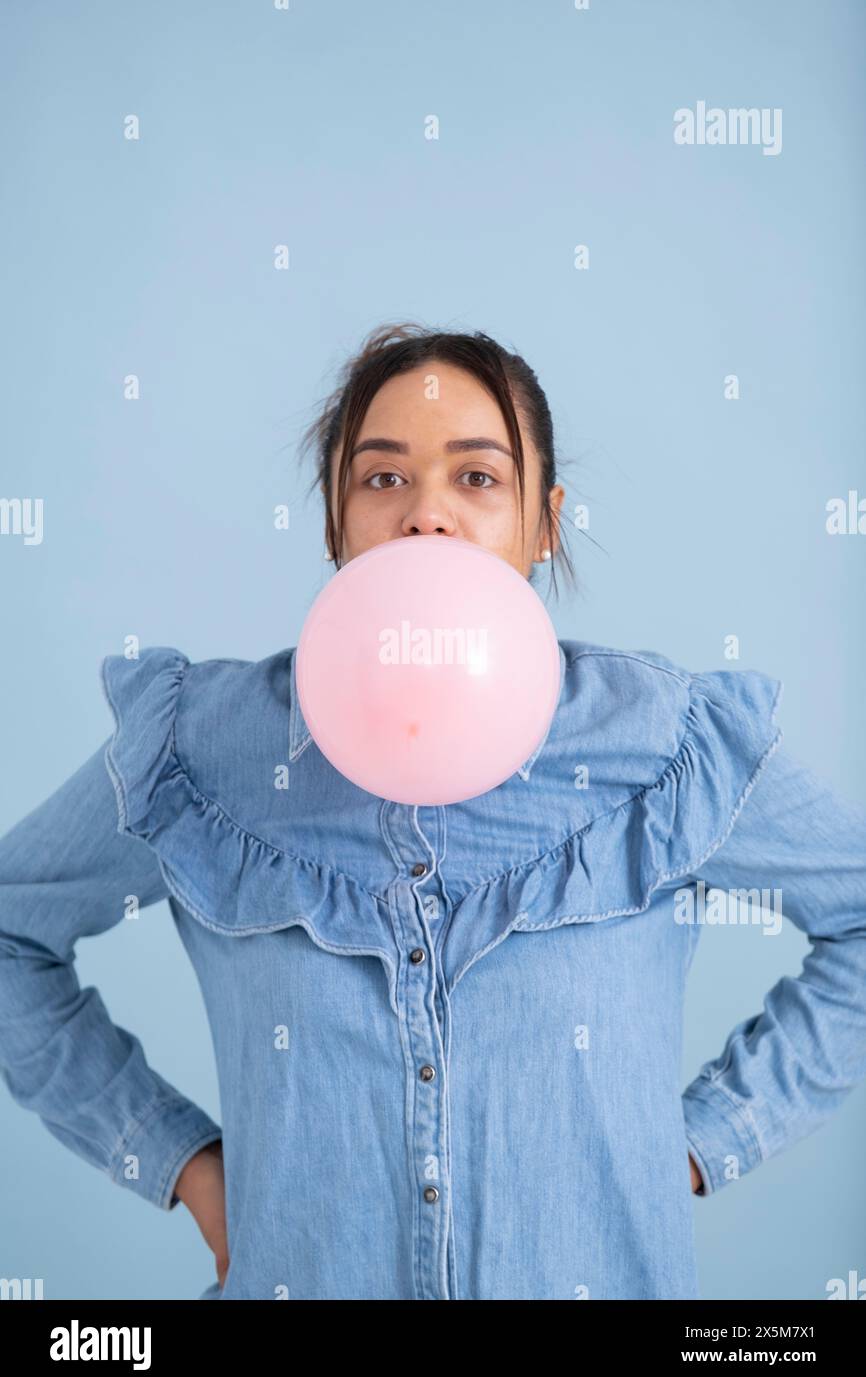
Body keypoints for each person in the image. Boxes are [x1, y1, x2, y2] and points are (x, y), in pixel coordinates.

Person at [1, 323, 865, 1301]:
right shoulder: (201, 747)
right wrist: (180, 1164)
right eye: (381, 480)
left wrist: (705, 1145)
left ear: (544, 521)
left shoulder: (661, 741)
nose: (425, 517)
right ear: (334, 521)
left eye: (477, 478)